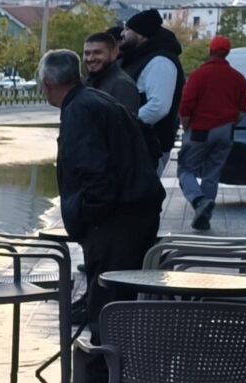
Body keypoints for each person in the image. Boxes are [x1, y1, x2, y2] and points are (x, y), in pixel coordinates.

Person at [40, 48, 161, 324]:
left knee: (108, 309)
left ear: (46, 83)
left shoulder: (80, 109)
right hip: (131, 214)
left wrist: (88, 218)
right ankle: (110, 360)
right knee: (113, 302)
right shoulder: (93, 100)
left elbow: (95, 173)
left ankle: (104, 363)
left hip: (117, 221)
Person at [176, 34, 246, 231]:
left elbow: (185, 105)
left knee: (186, 169)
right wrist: (230, 122)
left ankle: (199, 200)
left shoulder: (199, 75)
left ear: (210, 51)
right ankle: (205, 217)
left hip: (201, 129)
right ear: (227, 53)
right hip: (225, 131)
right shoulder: (237, 77)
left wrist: (187, 127)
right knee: (212, 173)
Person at [117, 9, 185, 171]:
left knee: (141, 195)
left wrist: (122, 125)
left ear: (141, 33)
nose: (122, 33)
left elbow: (158, 107)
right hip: (140, 143)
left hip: (149, 146)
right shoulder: (144, 57)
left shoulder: (160, 61)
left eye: (127, 29)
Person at [83, 30, 144, 115]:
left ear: (114, 53)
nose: (90, 58)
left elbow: (121, 125)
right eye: (87, 53)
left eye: (97, 52)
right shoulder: (88, 82)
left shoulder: (122, 85)